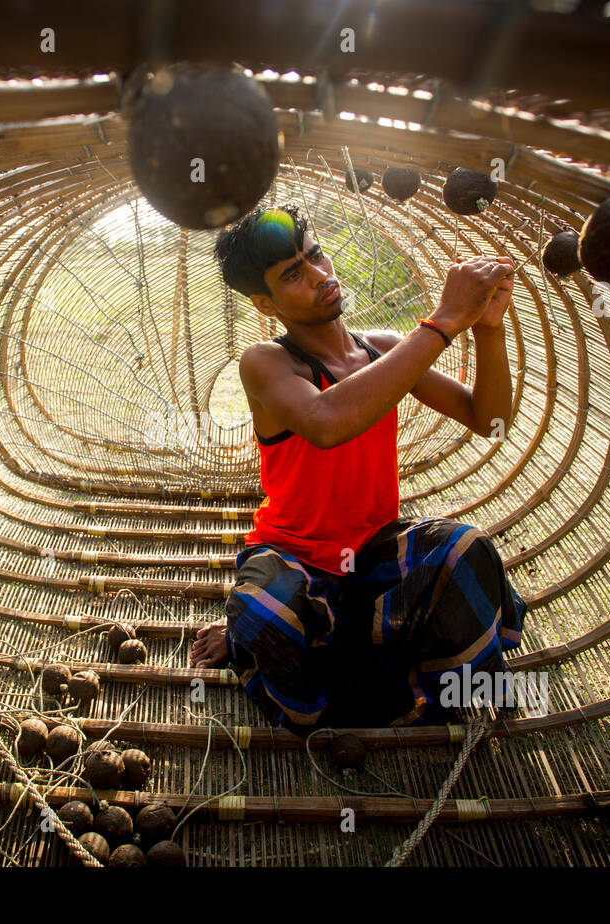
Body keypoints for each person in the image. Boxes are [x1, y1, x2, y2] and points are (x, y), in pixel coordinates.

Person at [190, 204, 529, 734]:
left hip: (373, 553)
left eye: (315, 255)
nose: (321, 276)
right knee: (264, 610)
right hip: (293, 556)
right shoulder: (266, 363)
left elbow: (489, 421)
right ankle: (275, 654)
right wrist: (442, 322)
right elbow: (327, 422)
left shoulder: (384, 350)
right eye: (293, 275)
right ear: (266, 303)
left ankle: (382, 674)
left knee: (468, 550)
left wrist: (488, 329)